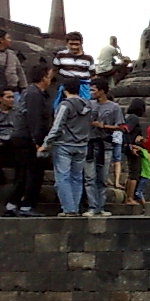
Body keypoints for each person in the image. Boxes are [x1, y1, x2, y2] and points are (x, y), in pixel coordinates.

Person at [39, 84, 94, 217]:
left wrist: (46, 143)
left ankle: (69, 209)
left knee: (63, 178)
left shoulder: (65, 105)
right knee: (76, 178)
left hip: (64, 144)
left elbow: (57, 126)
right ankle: (74, 207)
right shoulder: (88, 105)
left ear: (64, 90)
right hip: (82, 145)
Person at [4, 64, 52, 216]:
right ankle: (25, 205)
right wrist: (38, 141)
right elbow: (34, 119)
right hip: (27, 139)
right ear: (44, 77)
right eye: (49, 75)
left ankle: (13, 205)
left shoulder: (35, 93)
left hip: (24, 137)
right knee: (32, 173)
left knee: (25, 174)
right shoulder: (34, 94)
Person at [82, 77, 125, 217]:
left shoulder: (114, 107)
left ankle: (100, 206)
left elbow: (121, 127)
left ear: (101, 91)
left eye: (93, 90)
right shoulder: (89, 104)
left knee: (102, 178)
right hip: (90, 143)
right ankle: (92, 206)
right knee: (89, 177)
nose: (91, 92)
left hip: (105, 145)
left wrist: (103, 126)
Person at [51, 31, 94, 110]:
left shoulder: (88, 58)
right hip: (66, 87)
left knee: (84, 109)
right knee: (60, 108)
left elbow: (93, 75)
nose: (74, 47)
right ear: (66, 44)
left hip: (82, 87)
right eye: (71, 44)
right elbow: (54, 71)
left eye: (77, 44)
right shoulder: (60, 55)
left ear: (81, 44)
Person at [122, 98, 147, 206]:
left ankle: (128, 197)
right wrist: (130, 146)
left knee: (133, 172)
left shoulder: (128, 117)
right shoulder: (134, 118)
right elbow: (126, 130)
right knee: (134, 174)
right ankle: (129, 198)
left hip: (130, 146)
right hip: (132, 148)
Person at [0, 30, 27, 95]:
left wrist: (24, 87)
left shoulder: (11, 54)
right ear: (1, 40)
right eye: (8, 38)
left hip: (13, 90)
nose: (10, 40)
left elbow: (20, 71)